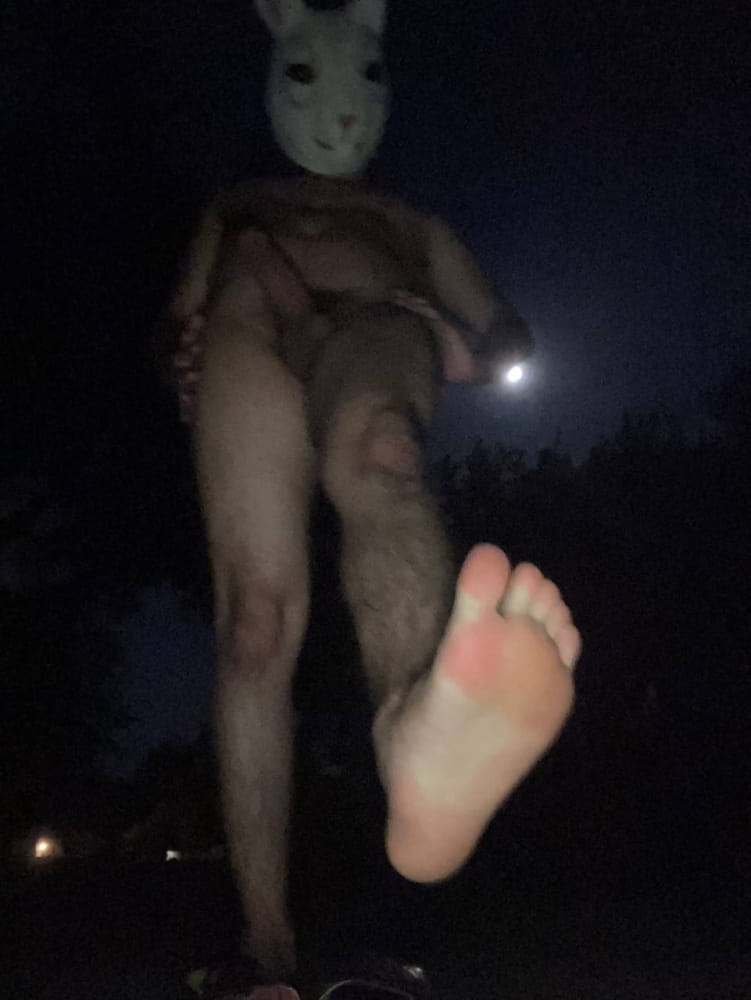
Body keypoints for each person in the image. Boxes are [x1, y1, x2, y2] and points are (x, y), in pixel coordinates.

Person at [170, 1, 581, 996]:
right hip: (247, 324)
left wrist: (473, 346)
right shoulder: (239, 203)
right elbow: (180, 315)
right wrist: (181, 345)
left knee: (380, 455)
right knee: (254, 625)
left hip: (376, 320)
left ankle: (421, 741)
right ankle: (263, 953)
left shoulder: (408, 223)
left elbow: (505, 330)